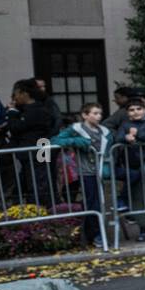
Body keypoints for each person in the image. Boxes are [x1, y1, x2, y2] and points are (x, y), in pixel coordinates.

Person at [53, 103, 110, 248]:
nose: (99, 116)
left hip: (100, 171)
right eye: (95, 113)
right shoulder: (76, 129)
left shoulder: (103, 131)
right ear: (85, 115)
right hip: (86, 172)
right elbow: (56, 140)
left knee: (100, 203)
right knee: (93, 204)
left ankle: (92, 234)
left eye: (100, 113)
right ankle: (96, 235)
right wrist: (76, 142)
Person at [0, 79, 59, 204]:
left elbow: (16, 128)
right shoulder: (28, 109)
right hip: (36, 150)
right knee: (31, 181)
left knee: (38, 183)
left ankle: (41, 210)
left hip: (38, 150)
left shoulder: (36, 110)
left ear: (24, 93)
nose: (15, 98)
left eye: (16, 94)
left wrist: (12, 113)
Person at [115, 96, 145, 240]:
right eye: (131, 110)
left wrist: (137, 134)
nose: (135, 112)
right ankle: (144, 229)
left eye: (138, 109)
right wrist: (126, 138)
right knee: (136, 201)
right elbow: (118, 138)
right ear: (127, 112)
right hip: (132, 165)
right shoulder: (125, 124)